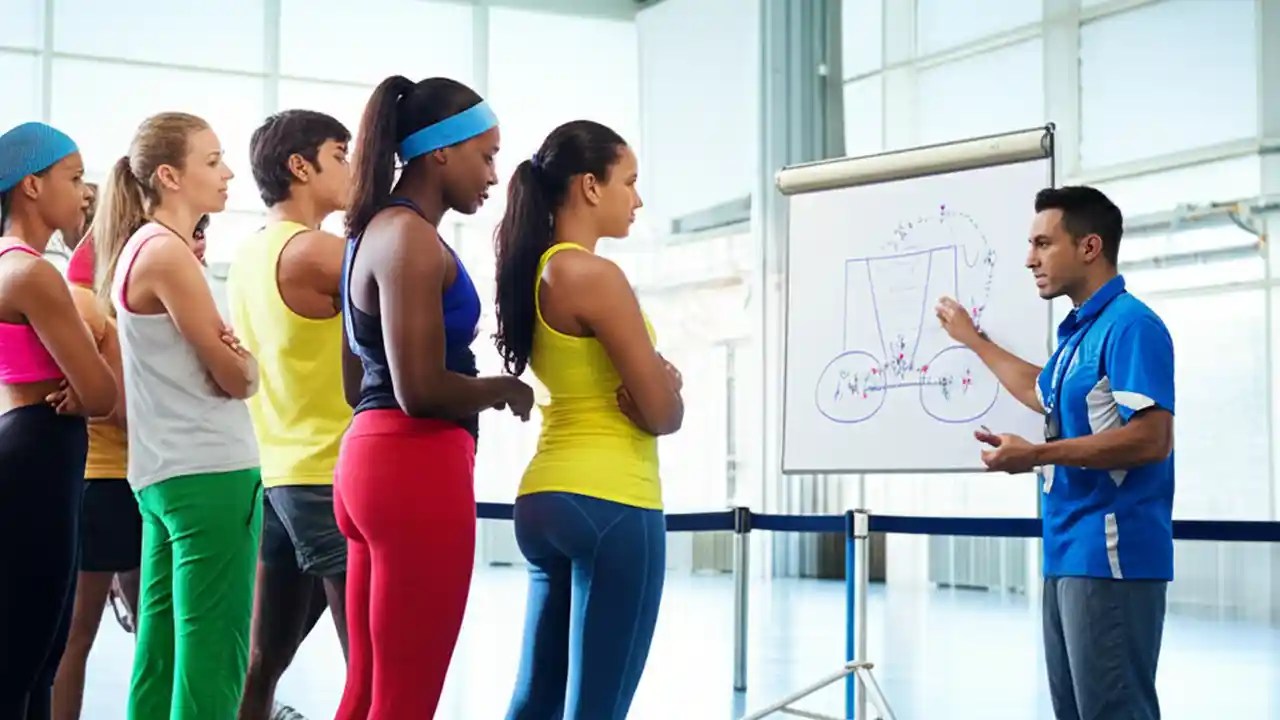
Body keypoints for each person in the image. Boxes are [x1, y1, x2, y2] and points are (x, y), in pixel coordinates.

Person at [935, 185, 1174, 720]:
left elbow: (1153, 436)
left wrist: (1039, 455)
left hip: (1111, 557)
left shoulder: (1131, 326)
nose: (1029, 259)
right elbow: (1038, 388)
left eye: (1043, 243)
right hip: (1067, 551)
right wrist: (973, 341)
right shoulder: (1078, 338)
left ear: (1089, 247)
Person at [337, 75, 534, 719]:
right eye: (486, 154)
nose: (493, 173)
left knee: (367, 690)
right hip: (413, 470)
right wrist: (499, 388)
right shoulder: (409, 237)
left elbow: (356, 382)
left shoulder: (364, 235)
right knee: (405, 699)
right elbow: (418, 389)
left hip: (366, 463)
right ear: (440, 152)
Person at [492, 120, 683, 720]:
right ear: (590, 187)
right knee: (598, 708)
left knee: (535, 699)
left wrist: (652, 381)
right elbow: (662, 414)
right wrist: (666, 385)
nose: (638, 199)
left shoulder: (537, 269)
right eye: (629, 182)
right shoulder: (592, 275)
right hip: (612, 501)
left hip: (545, 496)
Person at [95, 111, 262, 720]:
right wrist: (248, 366)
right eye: (213, 161)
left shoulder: (139, 249)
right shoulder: (169, 254)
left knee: (160, 658)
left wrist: (237, 360)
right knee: (212, 660)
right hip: (210, 474)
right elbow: (235, 375)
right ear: (169, 175)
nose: (228, 173)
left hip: (165, 475)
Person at [228, 109, 355, 720]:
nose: (352, 168)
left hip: (276, 474)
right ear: (299, 166)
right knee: (372, 663)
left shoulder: (253, 253)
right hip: (326, 476)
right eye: (341, 154)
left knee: (265, 659)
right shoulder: (318, 253)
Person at [0, 121, 117, 720]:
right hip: (42, 450)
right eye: (73, 179)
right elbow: (101, 391)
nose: (84, 193)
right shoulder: (32, 273)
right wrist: (91, 371)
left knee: (31, 643)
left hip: (31, 442)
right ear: (31, 186)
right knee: (31, 649)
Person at [50, 189, 138, 720]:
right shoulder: (84, 299)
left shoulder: (102, 292)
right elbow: (116, 405)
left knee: (150, 627)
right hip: (103, 479)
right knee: (76, 635)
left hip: (129, 479)